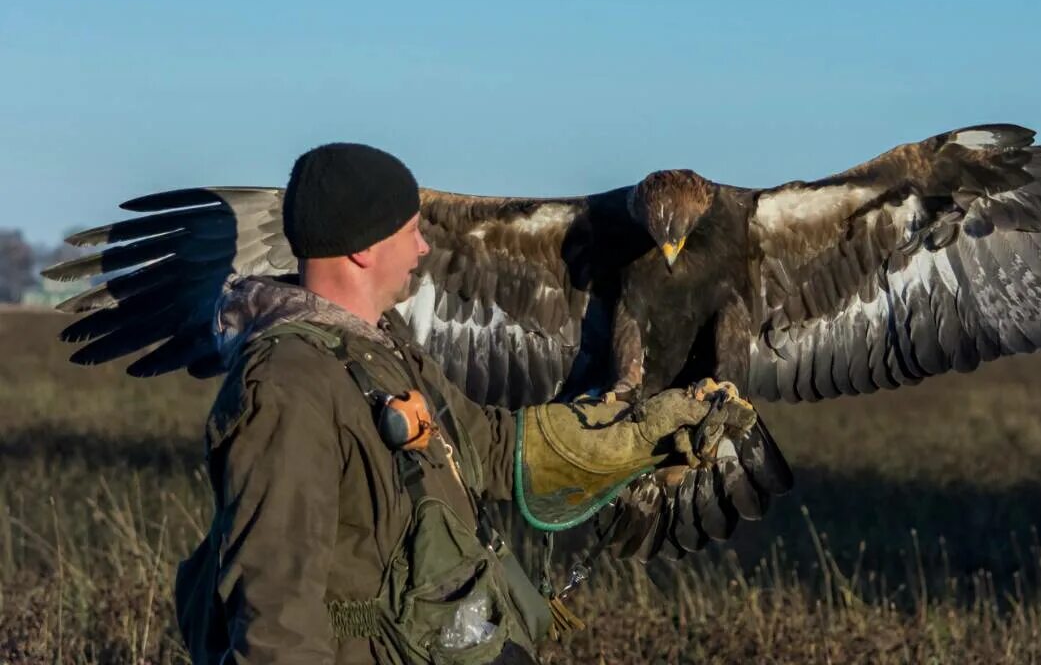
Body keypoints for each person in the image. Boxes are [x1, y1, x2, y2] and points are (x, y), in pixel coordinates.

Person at [173, 143, 753, 665]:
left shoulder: (387, 346)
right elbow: (274, 608)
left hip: (441, 639)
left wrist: (637, 436)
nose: (426, 246)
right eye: (410, 231)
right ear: (362, 250)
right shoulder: (287, 384)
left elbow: (491, 450)